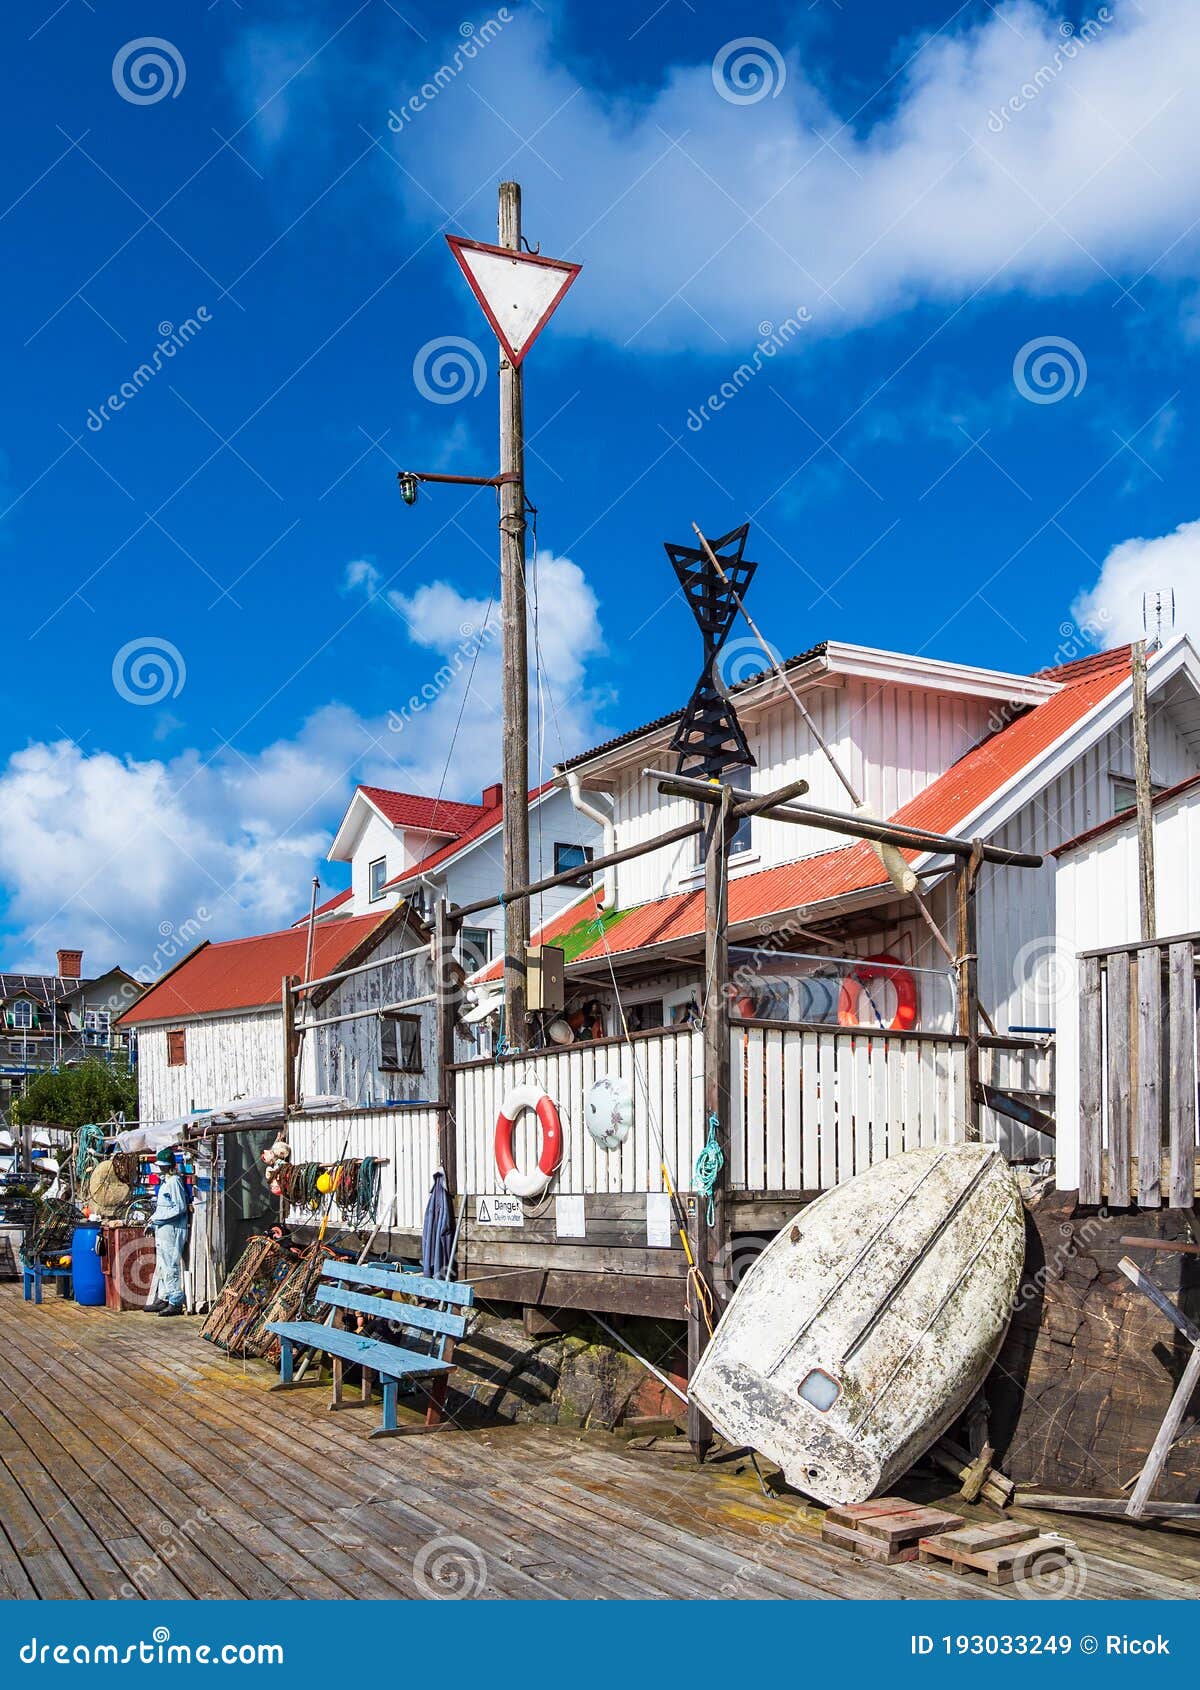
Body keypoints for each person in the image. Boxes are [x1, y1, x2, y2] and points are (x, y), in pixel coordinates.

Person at [145, 1147, 189, 1316]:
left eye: (163, 1166)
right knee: (162, 1265)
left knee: (171, 1265)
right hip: (162, 1229)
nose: (161, 1169)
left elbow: (179, 1207)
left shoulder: (174, 1182)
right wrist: (153, 1221)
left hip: (173, 1229)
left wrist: (159, 1219)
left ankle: (175, 1301)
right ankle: (164, 1297)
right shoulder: (165, 1182)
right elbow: (163, 1207)